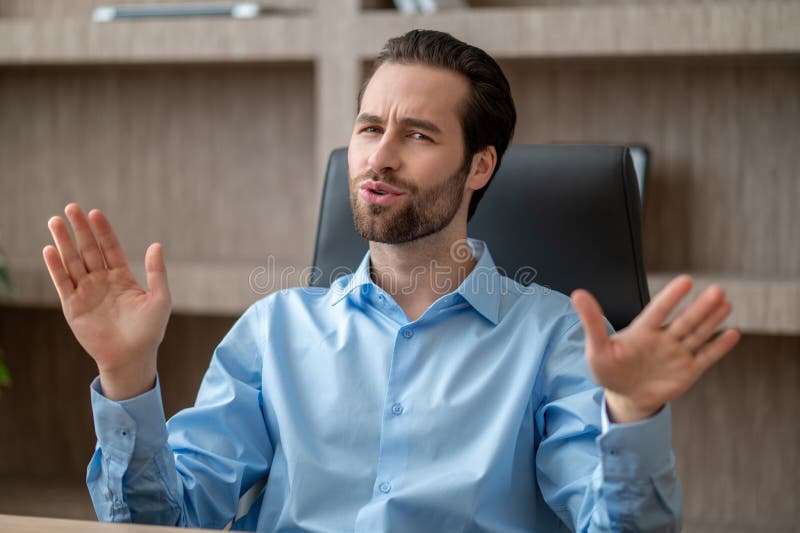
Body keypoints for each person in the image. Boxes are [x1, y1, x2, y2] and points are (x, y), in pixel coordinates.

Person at [42, 30, 740, 532]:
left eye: (419, 135)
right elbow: (158, 521)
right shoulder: (275, 329)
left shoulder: (552, 338)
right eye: (370, 127)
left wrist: (634, 417)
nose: (378, 156)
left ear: (479, 167)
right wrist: (127, 373)